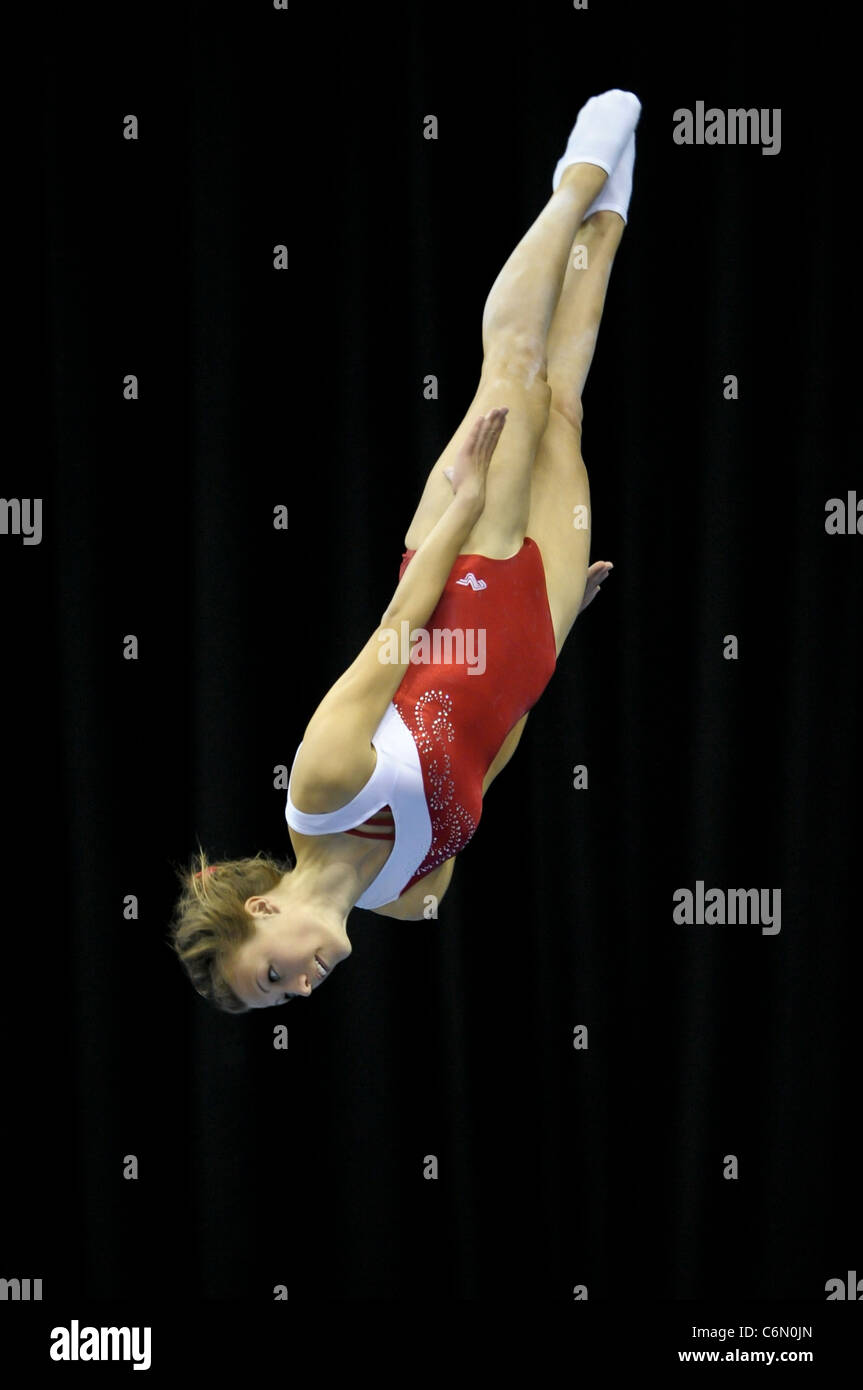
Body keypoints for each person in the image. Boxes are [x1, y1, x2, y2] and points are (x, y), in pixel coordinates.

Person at [168, 90, 642, 1013]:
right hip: (531, 629)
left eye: (274, 972)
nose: (302, 986)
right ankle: (613, 198)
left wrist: (462, 510)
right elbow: (489, 753)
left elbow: (395, 635)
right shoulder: (412, 896)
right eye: (288, 996)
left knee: (514, 373)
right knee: (568, 406)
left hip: (459, 571)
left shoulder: (322, 785)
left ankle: (573, 180)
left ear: (260, 907)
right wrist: (560, 633)